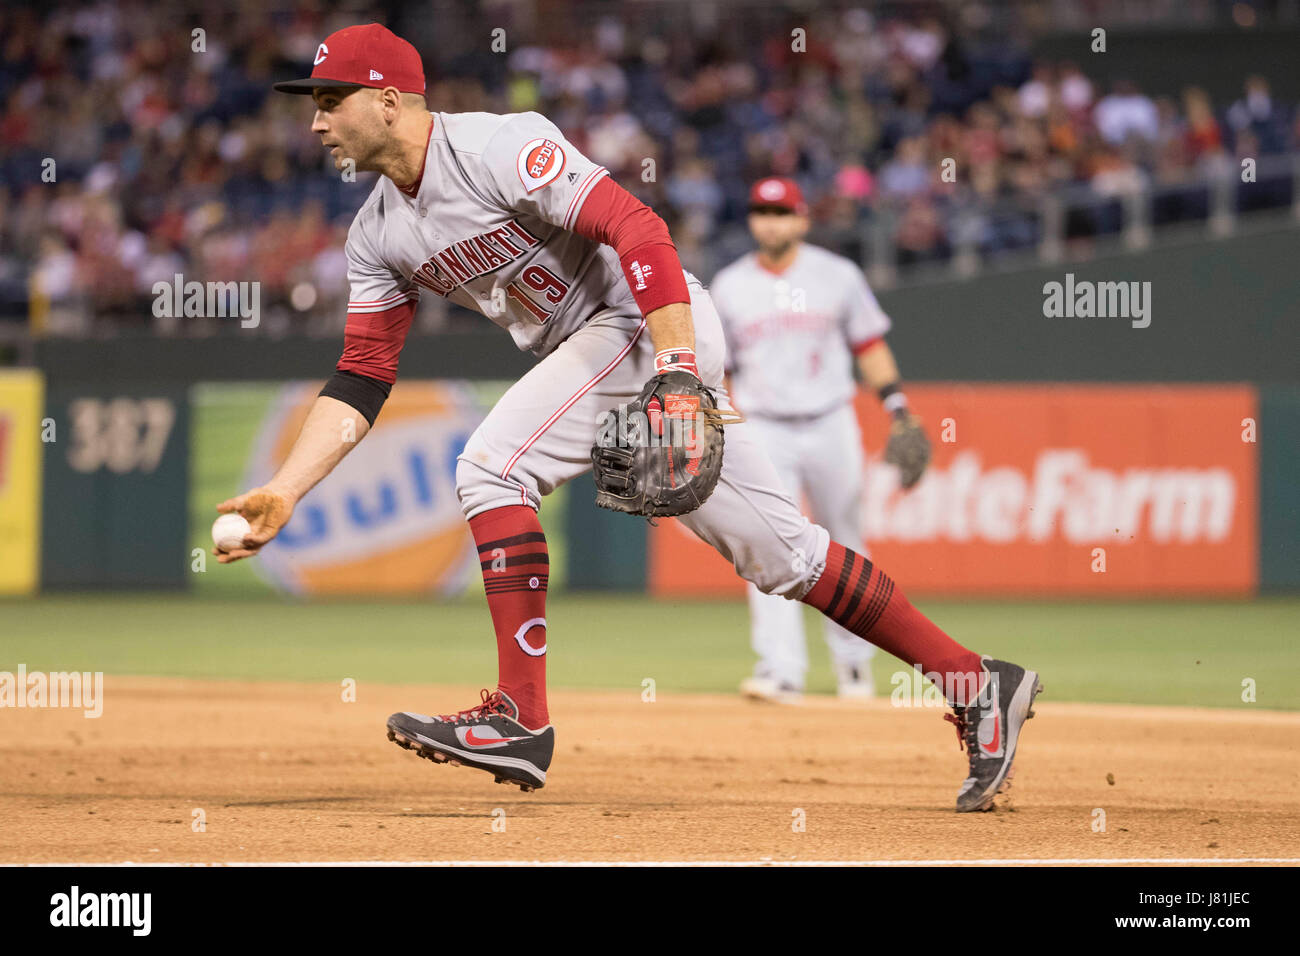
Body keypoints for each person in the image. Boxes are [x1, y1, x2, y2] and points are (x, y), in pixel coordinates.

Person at [216, 23, 1040, 812]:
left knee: (493, 467)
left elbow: (635, 225)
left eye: (329, 99)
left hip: (646, 324)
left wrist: (679, 374)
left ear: (389, 99)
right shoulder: (377, 233)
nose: (315, 120)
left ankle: (520, 715)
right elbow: (363, 374)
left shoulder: (497, 147)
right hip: (602, 352)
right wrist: (286, 490)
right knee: (784, 556)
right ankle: (975, 681)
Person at [711, 176, 931, 703]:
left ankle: (854, 666)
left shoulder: (838, 275)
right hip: (762, 424)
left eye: (783, 212)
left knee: (847, 540)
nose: (772, 221)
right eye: (763, 211)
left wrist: (897, 406)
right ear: (750, 220)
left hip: (831, 419)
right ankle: (780, 669)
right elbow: (716, 367)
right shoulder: (728, 286)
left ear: (803, 218)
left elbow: (869, 343)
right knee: (768, 542)